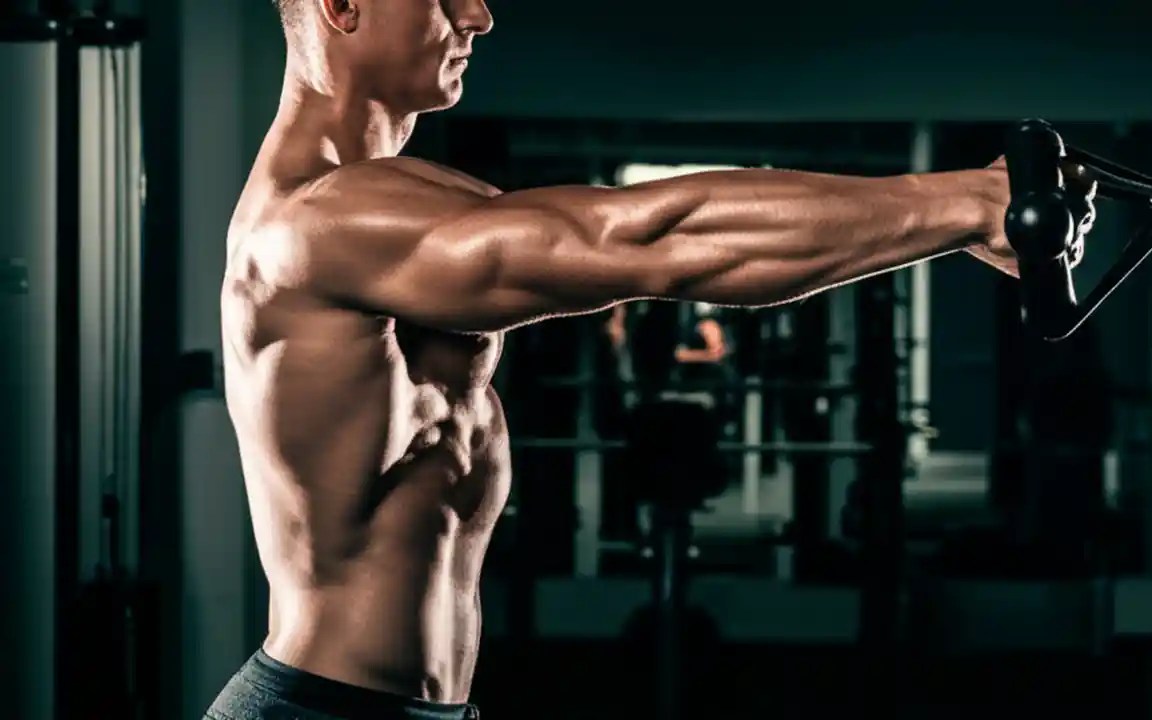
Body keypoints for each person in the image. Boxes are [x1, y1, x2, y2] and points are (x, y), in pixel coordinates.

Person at [207, 0, 1094, 718]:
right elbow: (651, 240)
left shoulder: (412, 200)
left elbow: (676, 245)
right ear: (341, 6)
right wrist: (965, 204)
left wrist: (958, 221)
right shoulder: (317, 225)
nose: (477, 16)